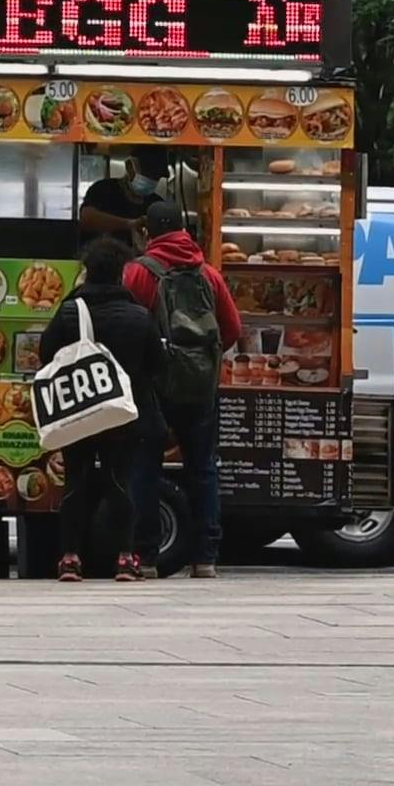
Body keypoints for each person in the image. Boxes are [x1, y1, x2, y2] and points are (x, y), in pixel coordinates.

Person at [124, 197, 243, 576]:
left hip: (154, 385)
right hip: (200, 387)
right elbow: (232, 329)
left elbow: (129, 326)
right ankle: (205, 557)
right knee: (203, 468)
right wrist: (202, 362)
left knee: (145, 468)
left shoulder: (137, 273)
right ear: (184, 231)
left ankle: (145, 557)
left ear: (148, 233)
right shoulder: (209, 274)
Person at [39, 234, 164, 580]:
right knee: (119, 481)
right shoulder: (139, 316)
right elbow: (158, 364)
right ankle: (125, 557)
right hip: (121, 414)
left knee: (76, 482)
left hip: (77, 410)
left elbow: (45, 356)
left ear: (86, 272)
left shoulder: (68, 312)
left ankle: (70, 557)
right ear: (121, 273)